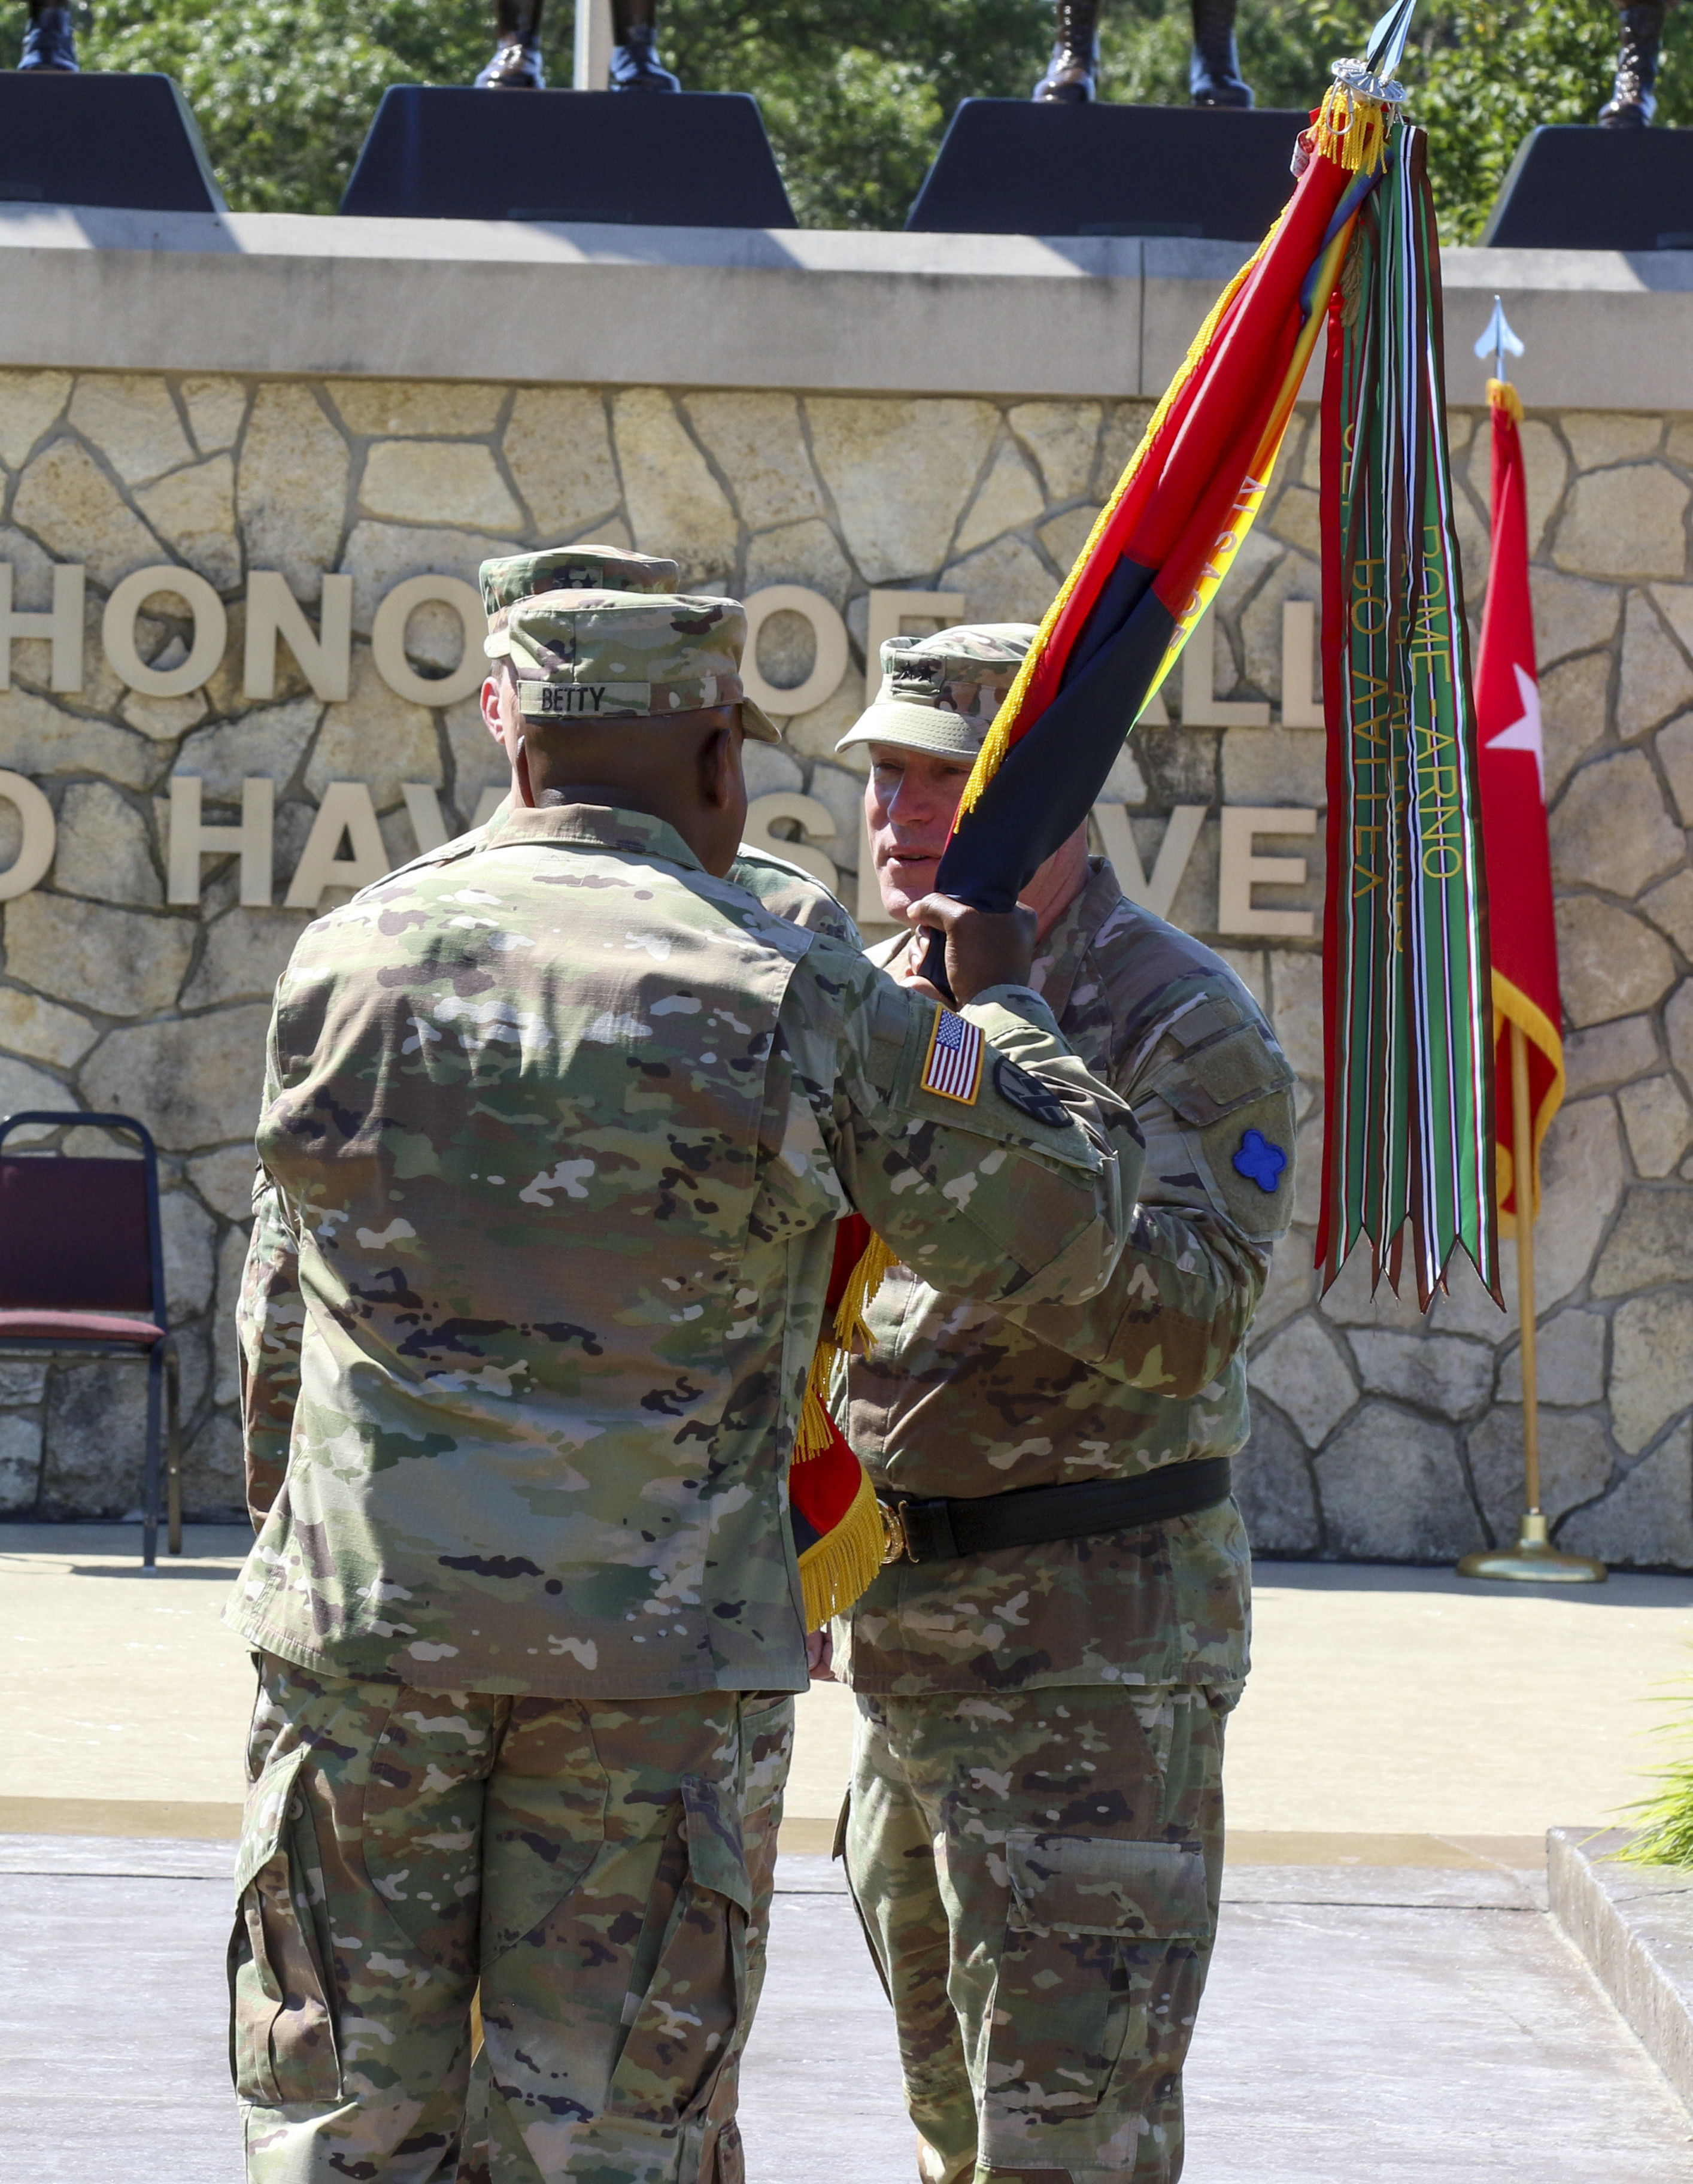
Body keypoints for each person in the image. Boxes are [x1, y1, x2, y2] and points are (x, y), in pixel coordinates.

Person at [226, 566, 1147, 2183]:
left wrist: (324, 1555)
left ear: (518, 745)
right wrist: (1001, 1000)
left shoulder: (347, 955)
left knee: (346, 2135)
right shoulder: (787, 985)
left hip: (361, 1649)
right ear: (721, 760)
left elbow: (276, 1334)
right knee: (605, 2140)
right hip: (645, 1684)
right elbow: (1065, 1220)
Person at [826, 623, 1298, 2184]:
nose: (896, 812)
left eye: (938, 778)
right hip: (909, 1637)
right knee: (953, 2131)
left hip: (1093, 1656)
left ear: (1044, 794)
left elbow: (1183, 1321)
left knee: (1068, 2149)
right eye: (883, 774)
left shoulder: (1176, 1022)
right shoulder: (875, 998)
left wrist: (1012, 1043)